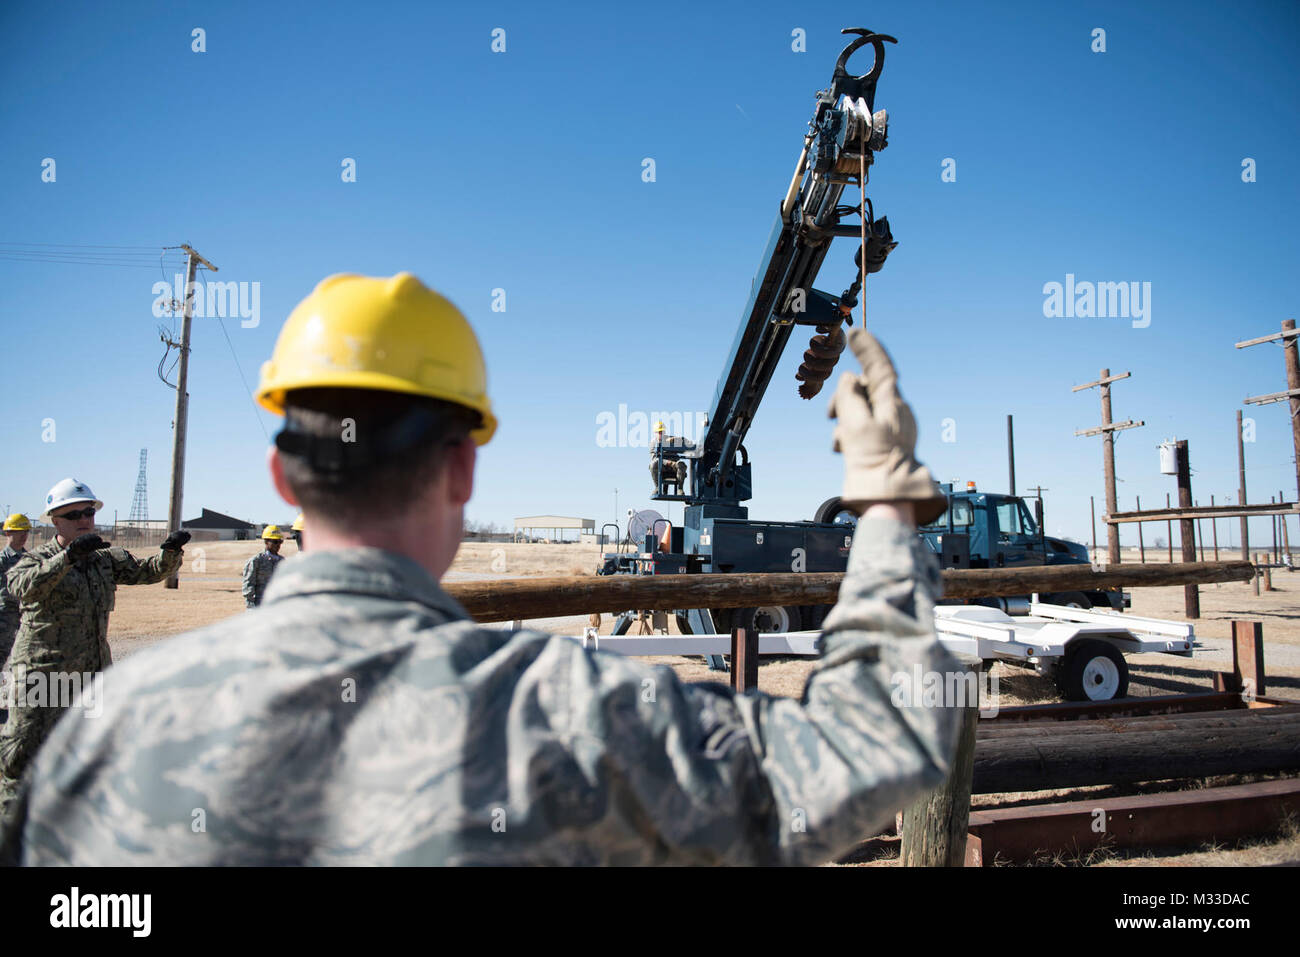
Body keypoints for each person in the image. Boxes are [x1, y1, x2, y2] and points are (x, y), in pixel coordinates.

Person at [0, 273, 956, 865]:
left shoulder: (109, 734)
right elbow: (868, 750)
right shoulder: (576, 716)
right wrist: (883, 509)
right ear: (463, 466)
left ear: (281, 474)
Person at [0, 480, 189, 822]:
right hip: (41, 680)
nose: (84, 519)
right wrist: (68, 558)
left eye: (89, 512)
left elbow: (148, 572)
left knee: (90, 761)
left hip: (91, 679)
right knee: (21, 764)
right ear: (55, 521)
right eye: (74, 514)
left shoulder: (105, 560)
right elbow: (23, 587)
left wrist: (170, 551)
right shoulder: (37, 559)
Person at [0, 514, 31, 671]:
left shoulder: (30, 559)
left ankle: (16, 692)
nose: (23, 535)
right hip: (5, 616)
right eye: (19, 531)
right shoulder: (2, 560)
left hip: (25, 615)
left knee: (23, 659)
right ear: (8, 533)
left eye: (26, 531)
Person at [242, 525, 285, 607]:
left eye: (280, 541)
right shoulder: (256, 561)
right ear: (266, 542)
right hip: (259, 606)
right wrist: (252, 607)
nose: (278, 545)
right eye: (275, 541)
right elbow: (248, 586)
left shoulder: (282, 562)